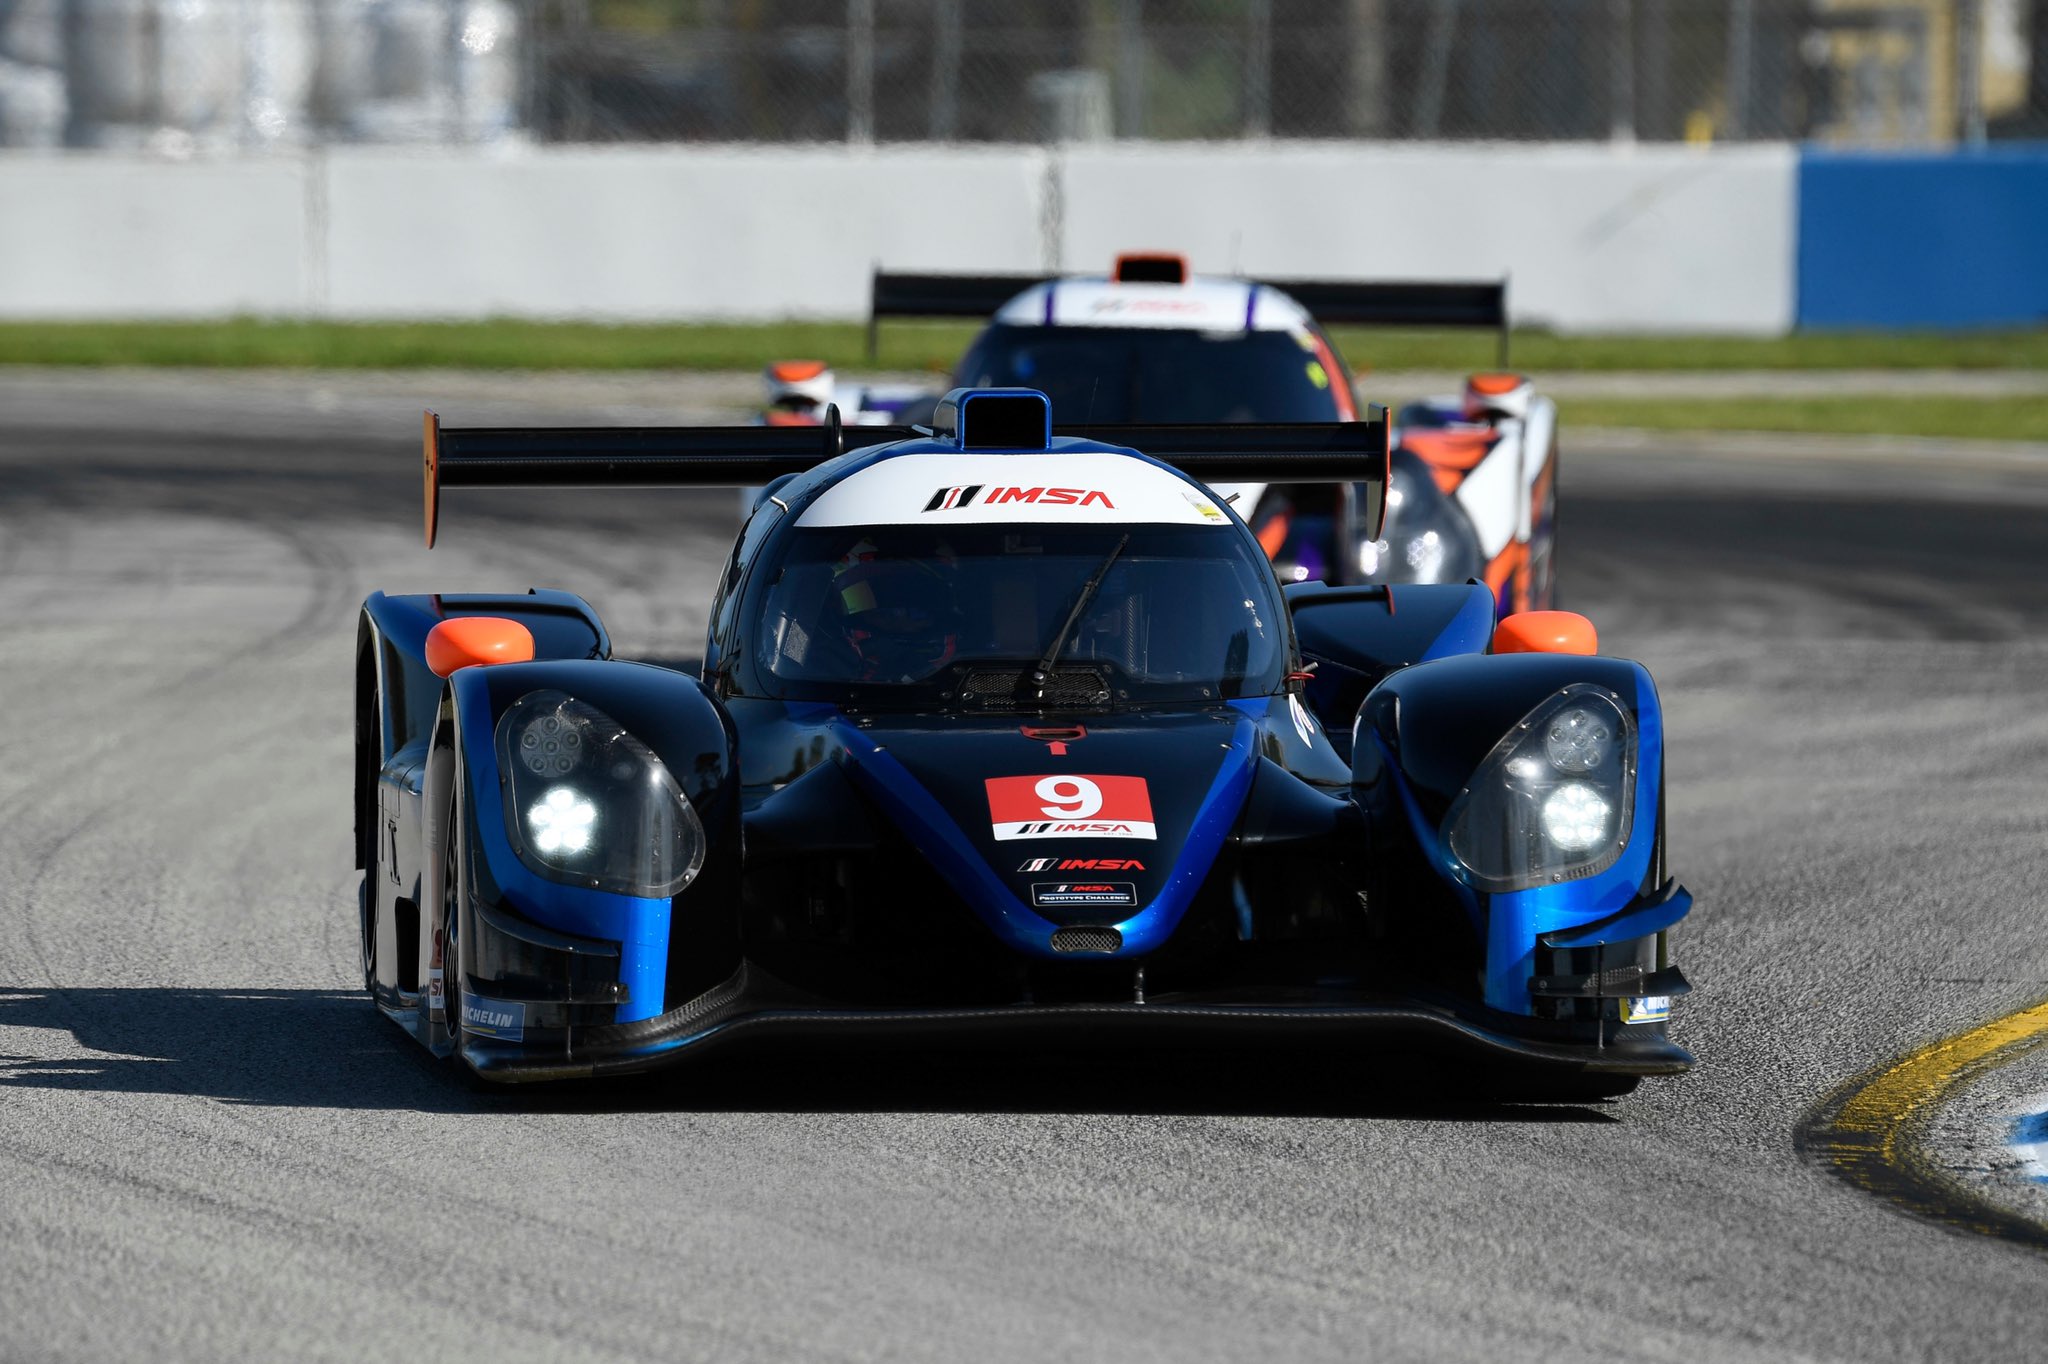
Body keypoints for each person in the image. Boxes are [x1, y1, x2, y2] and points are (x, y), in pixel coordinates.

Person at [827, 539, 960, 683]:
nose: (896, 616)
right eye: (877, 608)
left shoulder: (960, 658)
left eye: (914, 609)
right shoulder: (833, 656)